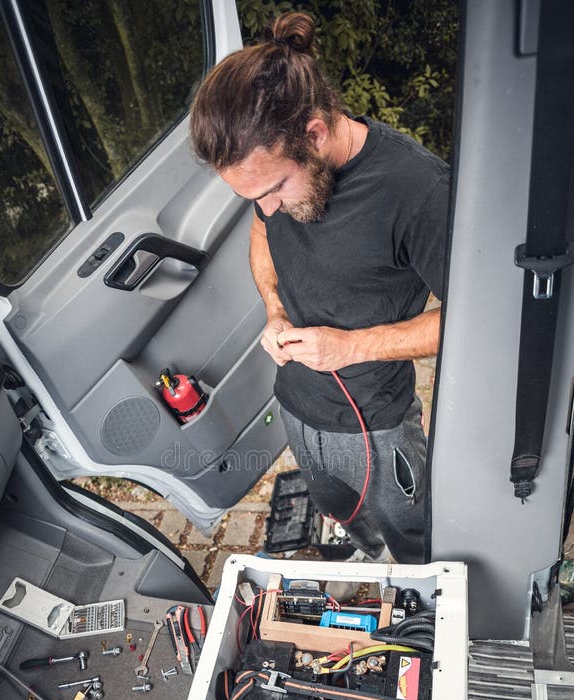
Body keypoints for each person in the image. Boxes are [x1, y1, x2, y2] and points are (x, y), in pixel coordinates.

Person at [190, 12, 449, 564]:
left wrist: (352, 346)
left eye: (274, 189)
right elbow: (262, 236)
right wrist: (274, 307)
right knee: (341, 513)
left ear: (315, 132)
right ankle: (364, 553)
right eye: (251, 197)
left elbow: (472, 321)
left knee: (413, 537)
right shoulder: (273, 190)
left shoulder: (418, 191)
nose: (266, 209)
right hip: (298, 408)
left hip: (378, 424)